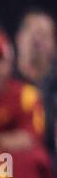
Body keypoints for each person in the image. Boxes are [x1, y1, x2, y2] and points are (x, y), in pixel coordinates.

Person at [16, 9, 57, 154]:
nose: (36, 40)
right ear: (18, 38)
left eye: (43, 35)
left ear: (54, 46)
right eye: (31, 32)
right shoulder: (4, 82)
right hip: (10, 160)